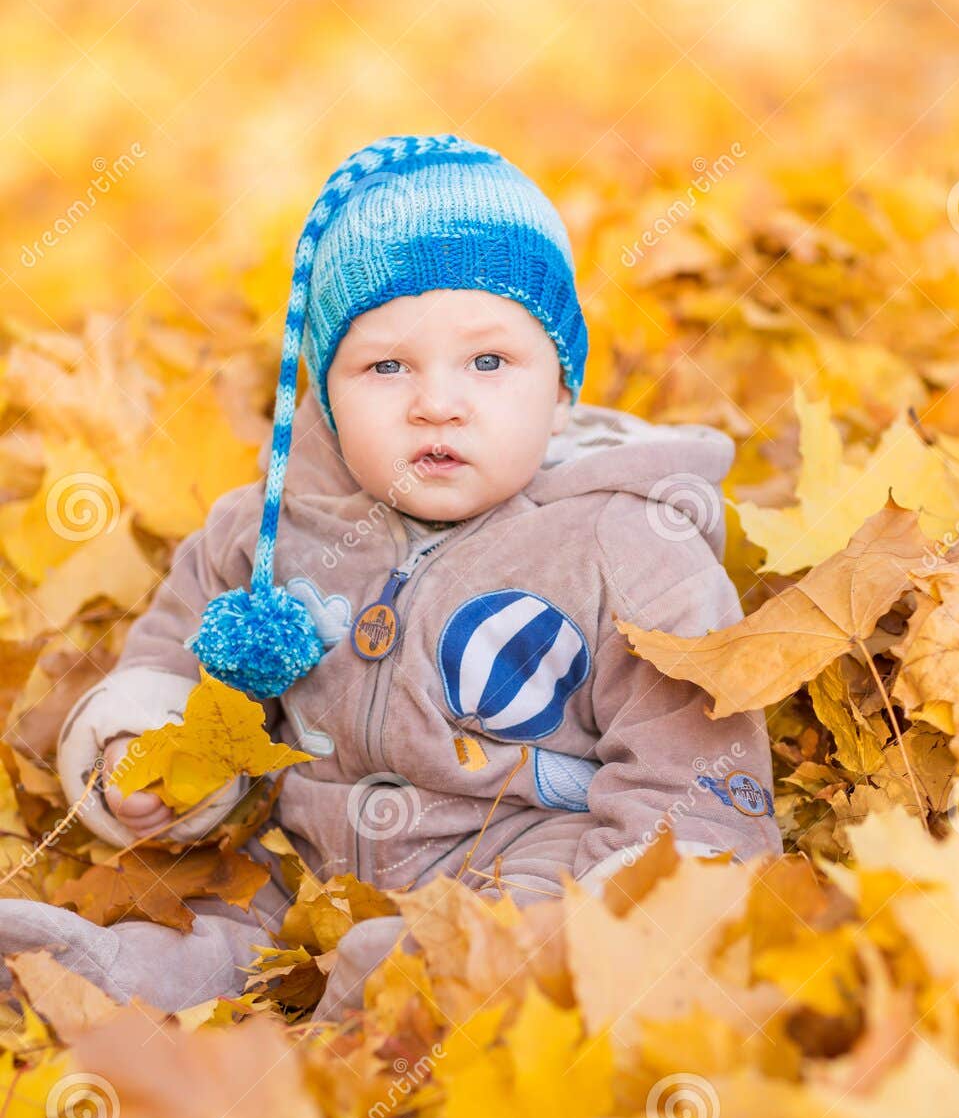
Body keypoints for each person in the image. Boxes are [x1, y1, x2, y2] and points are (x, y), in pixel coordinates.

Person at [1, 133, 780, 1019]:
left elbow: (692, 771)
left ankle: (432, 990)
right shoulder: (268, 528)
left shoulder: (622, 541)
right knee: (220, 902)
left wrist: (632, 903)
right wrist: (144, 756)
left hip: (519, 847)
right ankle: (107, 982)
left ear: (560, 388)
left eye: (489, 362)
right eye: (385, 367)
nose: (436, 401)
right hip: (305, 842)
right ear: (325, 400)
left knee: (526, 918)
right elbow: (175, 663)